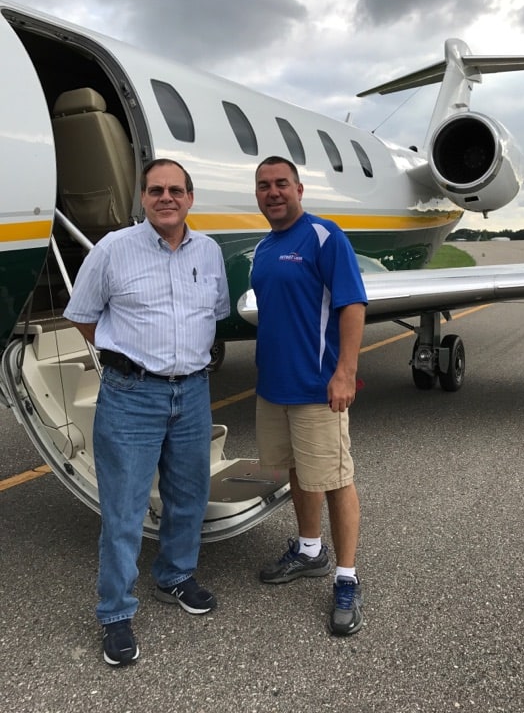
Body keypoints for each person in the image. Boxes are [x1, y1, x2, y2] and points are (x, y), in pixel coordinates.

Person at [64, 158, 230, 667]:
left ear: (190, 198)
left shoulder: (209, 252)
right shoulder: (112, 250)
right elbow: (84, 317)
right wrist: (127, 355)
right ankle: (115, 612)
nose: (166, 198)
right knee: (124, 510)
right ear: (142, 198)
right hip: (132, 394)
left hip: (193, 392)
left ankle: (175, 575)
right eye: (156, 190)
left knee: (189, 495)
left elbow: (215, 314)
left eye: (176, 190)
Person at [251, 155, 367, 636]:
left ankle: (346, 578)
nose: (273, 192)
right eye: (264, 186)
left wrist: (345, 373)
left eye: (282, 183)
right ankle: (308, 550)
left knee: (336, 478)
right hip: (273, 389)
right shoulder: (263, 248)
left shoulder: (325, 236)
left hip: (317, 388)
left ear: (299, 189)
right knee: (299, 471)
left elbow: (352, 304)